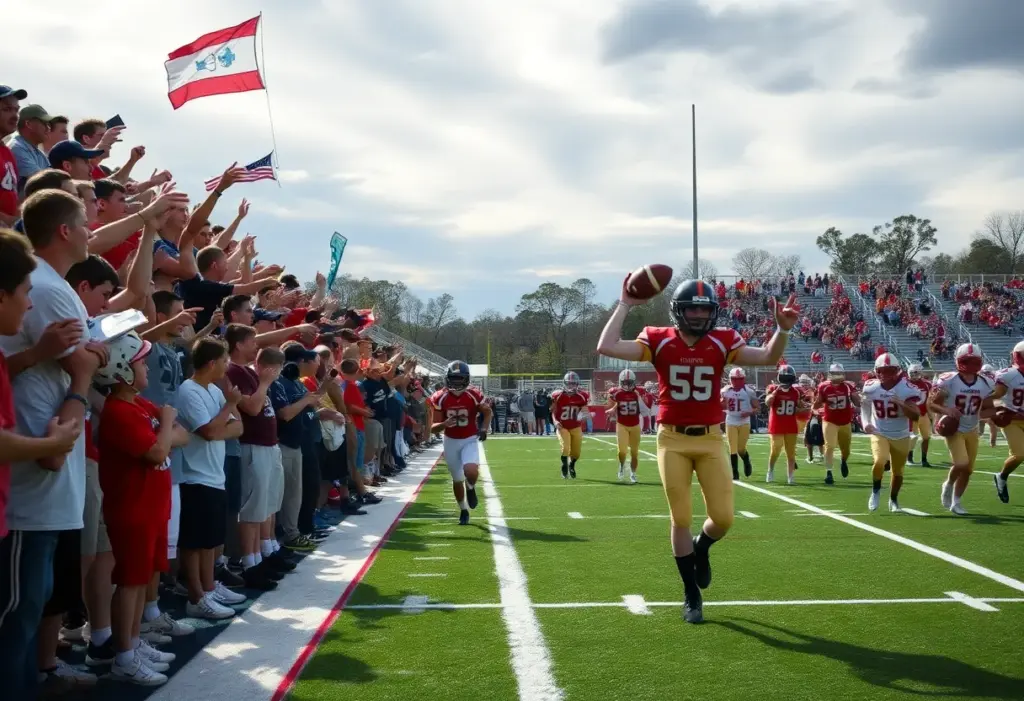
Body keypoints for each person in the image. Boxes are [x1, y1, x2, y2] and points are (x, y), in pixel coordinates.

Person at [595, 277, 798, 624]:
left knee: (723, 518)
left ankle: (701, 548)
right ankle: (691, 593)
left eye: (706, 309)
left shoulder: (723, 340)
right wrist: (626, 304)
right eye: (693, 308)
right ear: (679, 310)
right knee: (681, 518)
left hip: (710, 438)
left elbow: (767, 356)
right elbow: (607, 346)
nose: (700, 315)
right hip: (672, 439)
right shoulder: (659, 339)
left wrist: (782, 330)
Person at [95, 331, 185, 684]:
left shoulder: (139, 405)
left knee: (143, 577)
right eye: (140, 363)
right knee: (130, 582)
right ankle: (124, 655)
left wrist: (164, 431)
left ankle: (132, 641)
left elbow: (183, 435)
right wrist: (164, 428)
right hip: (132, 508)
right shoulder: (120, 410)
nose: (146, 369)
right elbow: (159, 449)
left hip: (151, 504)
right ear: (122, 370)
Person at [930, 343, 995, 515]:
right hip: (954, 428)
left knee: (968, 469)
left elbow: (989, 408)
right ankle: (949, 483)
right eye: (966, 361)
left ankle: (956, 502)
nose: (970, 365)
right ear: (958, 361)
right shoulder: (949, 380)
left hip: (972, 428)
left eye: (974, 361)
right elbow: (931, 405)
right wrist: (947, 411)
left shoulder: (985, 383)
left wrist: (984, 413)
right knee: (960, 463)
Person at [428, 361, 492, 526]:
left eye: (460, 378)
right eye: (453, 378)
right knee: (457, 479)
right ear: (447, 378)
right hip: (450, 441)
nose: (456, 382)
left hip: (469, 438)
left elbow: (487, 412)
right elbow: (433, 428)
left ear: (467, 378)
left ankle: (471, 487)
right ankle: (463, 510)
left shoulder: (474, 394)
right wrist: (444, 424)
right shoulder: (439, 397)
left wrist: (484, 429)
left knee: (471, 470)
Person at [859, 353, 922, 513]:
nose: (886, 375)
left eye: (889, 371)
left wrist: (901, 403)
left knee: (898, 472)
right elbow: (865, 405)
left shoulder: (907, 389)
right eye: (882, 371)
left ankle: (893, 499)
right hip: (879, 431)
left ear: (898, 371)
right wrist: (866, 423)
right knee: (879, 461)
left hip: (901, 434)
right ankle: (875, 490)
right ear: (876, 371)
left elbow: (915, 416)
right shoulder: (871, 386)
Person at [814, 363, 859, 485]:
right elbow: (818, 403)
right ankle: (829, 473)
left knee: (846, 449)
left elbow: (858, 403)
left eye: (840, 373)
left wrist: (856, 396)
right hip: (829, 420)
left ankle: (844, 461)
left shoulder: (848, 386)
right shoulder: (823, 386)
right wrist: (816, 405)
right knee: (830, 446)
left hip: (845, 421)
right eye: (836, 373)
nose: (838, 376)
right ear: (830, 374)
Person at [992, 341, 1024, 504]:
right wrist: (1000, 408)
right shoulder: (1009, 375)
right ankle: (1002, 477)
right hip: (1012, 419)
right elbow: (994, 397)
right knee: (1019, 455)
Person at [765, 365, 804, 485]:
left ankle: (790, 477)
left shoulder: (795, 392)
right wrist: (774, 394)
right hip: (776, 424)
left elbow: (797, 408)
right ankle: (770, 471)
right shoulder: (773, 389)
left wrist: (805, 407)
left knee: (791, 452)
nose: (786, 380)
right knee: (775, 449)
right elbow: (767, 402)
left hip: (790, 424)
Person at [605, 368, 644, 483]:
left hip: (635, 425)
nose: (627, 385)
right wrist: (613, 409)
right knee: (622, 451)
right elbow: (618, 401)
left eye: (629, 382)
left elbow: (644, 408)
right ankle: (621, 466)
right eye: (625, 382)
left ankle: (633, 473)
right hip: (622, 424)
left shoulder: (638, 392)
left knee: (634, 453)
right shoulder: (616, 393)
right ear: (620, 382)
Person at [551, 371, 590, 479]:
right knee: (565, 448)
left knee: (576, 453)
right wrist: (555, 421)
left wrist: (585, 415)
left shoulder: (582, 396)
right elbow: (553, 410)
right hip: (562, 426)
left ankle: (571, 464)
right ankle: (564, 466)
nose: (571, 386)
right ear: (565, 383)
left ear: (577, 384)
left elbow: (584, 410)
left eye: (573, 383)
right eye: (569, 383)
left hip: (576, 426)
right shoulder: (558, 395)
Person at [721, 367, 758, 480]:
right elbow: (721, 406)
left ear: (743, 379)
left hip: (744, 422)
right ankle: (734, 473)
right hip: (731, 420)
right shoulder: (724, 391)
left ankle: (746, 460)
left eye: (739, 379)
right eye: (734, 379)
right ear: (730, 379)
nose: (736, 382)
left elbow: (757, 407)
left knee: (741, 449)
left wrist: (749, 412)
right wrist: (722, 402)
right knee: (732, 448)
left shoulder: (749, 391)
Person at [905, 363, 934, 467]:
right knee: (912, 437)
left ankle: (924, 459)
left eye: (916, 373)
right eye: (913, 373)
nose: (915, 375)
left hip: (923, 414)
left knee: (926, 437)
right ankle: (909, 458)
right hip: (911, 415)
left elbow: (929, 400)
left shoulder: (927, 384)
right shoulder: (905, 383)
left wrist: (931, 415)